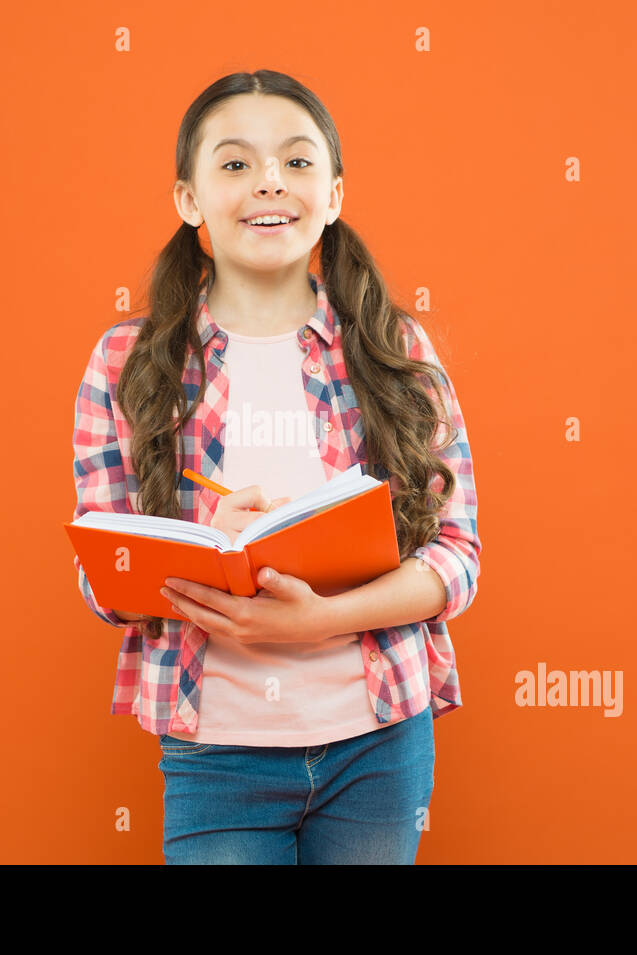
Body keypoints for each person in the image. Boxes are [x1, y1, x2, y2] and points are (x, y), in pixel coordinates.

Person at [71, 70, 481, 864]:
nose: (269, 182)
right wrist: (198, 548)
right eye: (234, 164)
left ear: (332, 195)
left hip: (380, 741)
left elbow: (457, 559)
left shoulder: (397, 351)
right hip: (215, 751)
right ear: (188, 199)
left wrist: (317, 618)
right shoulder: (125, 362)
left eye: (296, 162)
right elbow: (102, 581)